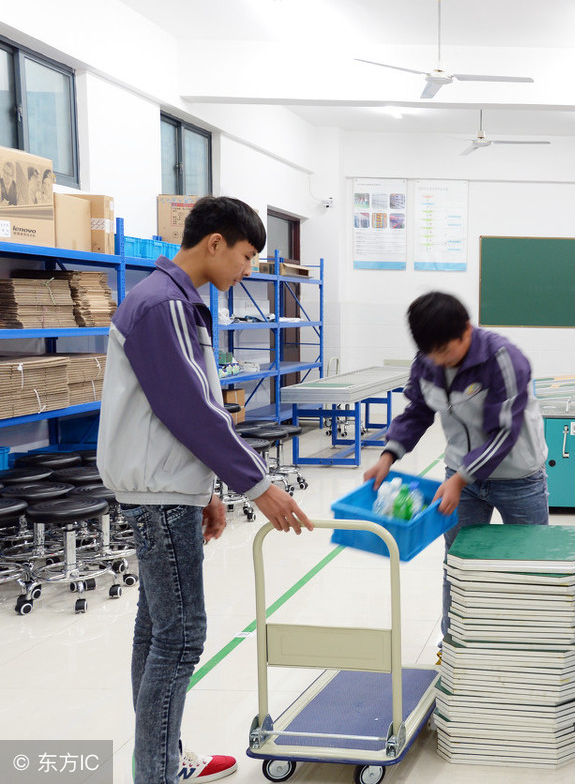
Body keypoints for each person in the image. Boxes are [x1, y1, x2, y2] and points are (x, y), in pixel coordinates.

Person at [98, 196, 313, 784]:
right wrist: (258, 485)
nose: (247, 270)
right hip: (159, 493)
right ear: (214, 243)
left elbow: (182, 408)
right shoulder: (163, 303)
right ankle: (159, 773)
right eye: (245, 257)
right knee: (182, 636)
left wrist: (209, 487)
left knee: (157, 629)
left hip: (168, 487)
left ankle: (162, 761)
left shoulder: (173, 301)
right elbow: (191, 409)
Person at [363, 291, 550, 636]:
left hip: (518, 477)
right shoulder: (426, 362)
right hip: (460, 478)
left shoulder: (504, 359)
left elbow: (503, 433)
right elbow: (418, 411)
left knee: (531, 565)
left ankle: (527, 644)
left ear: (466, 330)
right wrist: (389, 455)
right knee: (459, 564)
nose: (442, 362)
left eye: (447, 352)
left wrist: (462, 477)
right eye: (433, 355)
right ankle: (457, 645)